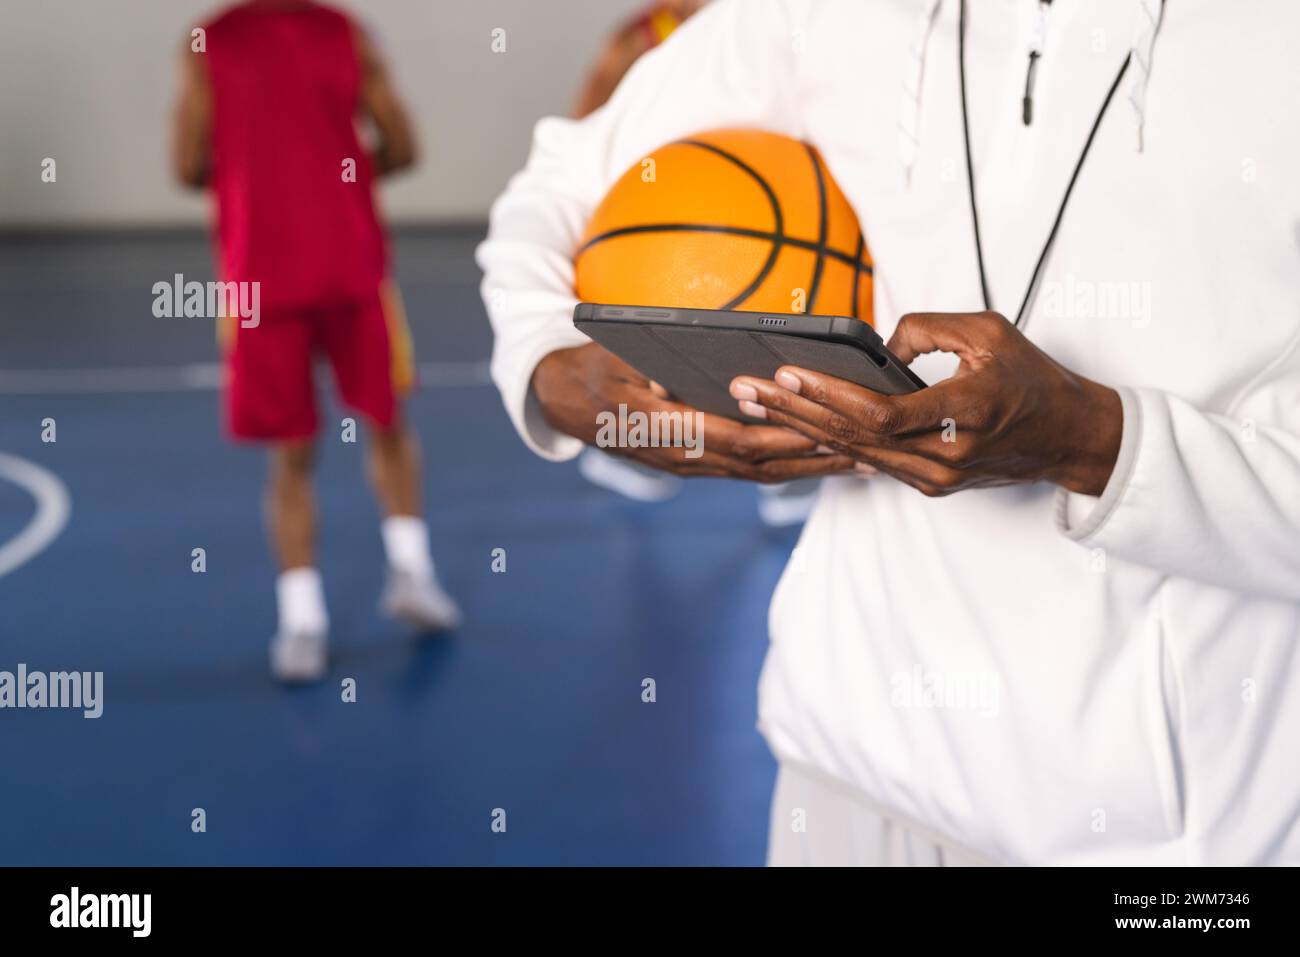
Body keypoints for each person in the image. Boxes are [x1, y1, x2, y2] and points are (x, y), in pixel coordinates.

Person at [479, 0, 1300, 864]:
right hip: (845, 776)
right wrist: (547, 360)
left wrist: (1097, 442)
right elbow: (566, 175)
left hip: (1183, 846)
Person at [173, 0, 460, 683]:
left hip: (258, 275)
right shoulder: (350, 35)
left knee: (291, 453)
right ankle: (412, 572)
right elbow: (406, 146)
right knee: (387, 418)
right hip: (349, 261)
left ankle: (302, 620)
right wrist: (338, 177)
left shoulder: (206, 42)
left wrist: (261, 179)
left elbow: (187, 164)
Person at [569, 0, 817, 525]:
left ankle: (791, 461)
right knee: (658, 343)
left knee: (782, 326)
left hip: (760, 205)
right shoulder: (636, 40)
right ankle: (642, 452)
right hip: (668, 219)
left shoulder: (777, 26)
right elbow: (583, 134)